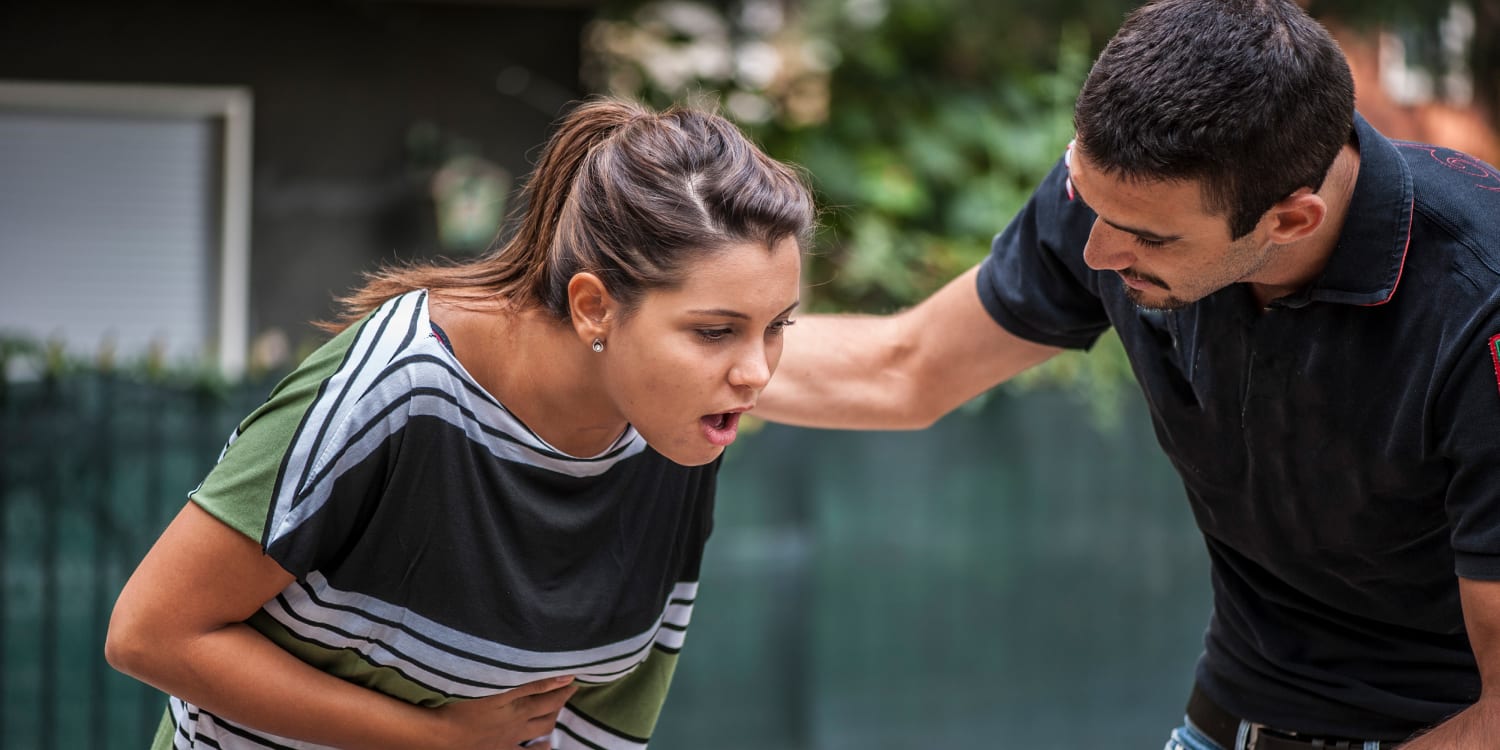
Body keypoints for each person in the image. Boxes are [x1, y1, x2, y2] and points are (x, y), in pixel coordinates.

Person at [756, 0, 1500, 747]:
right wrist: (676, 362)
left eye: (1147, 238)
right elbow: (905, 369)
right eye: (1087, 198)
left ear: (1290, 221)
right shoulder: (1129, 196)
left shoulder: (1477, 304)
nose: (1097, 255)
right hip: (1228, 719)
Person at [105, 97, 813, 750]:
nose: (757, 371)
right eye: (717, 331)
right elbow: (150, 635)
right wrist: (438, 742)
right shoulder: (396, 385)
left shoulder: (678, 431)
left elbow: (601, 719)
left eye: (776, 326)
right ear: (595, 306)